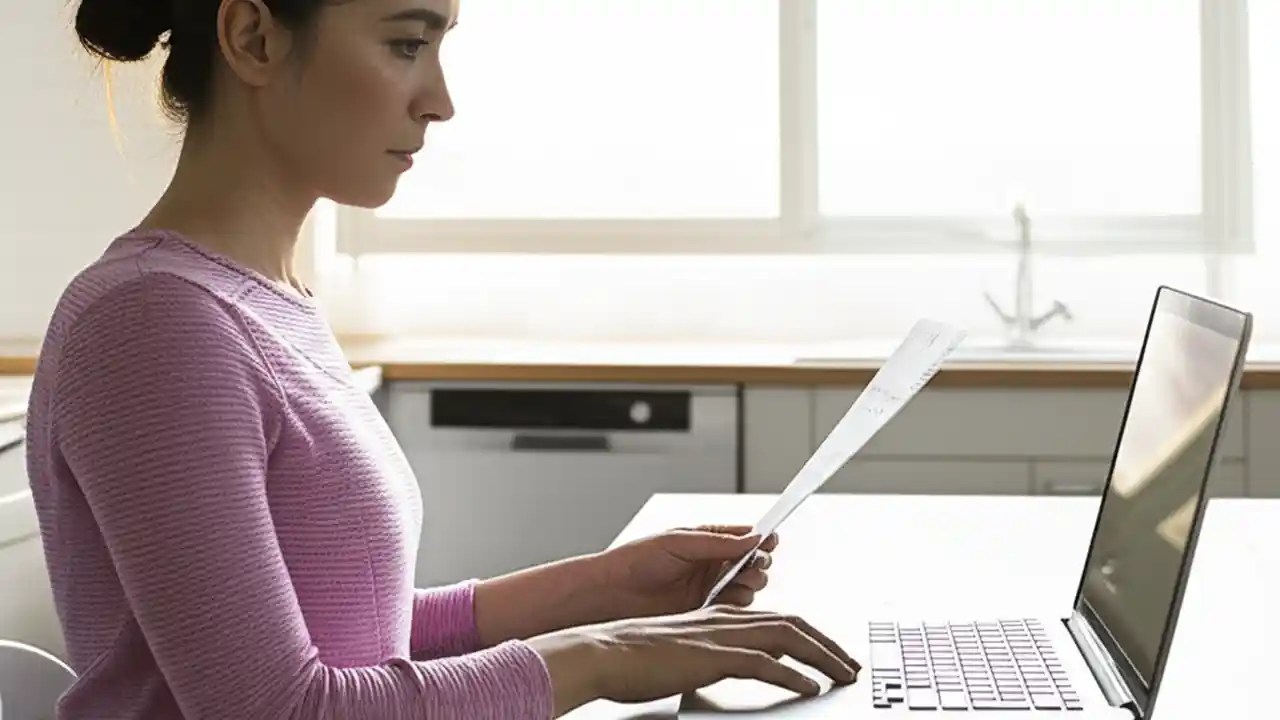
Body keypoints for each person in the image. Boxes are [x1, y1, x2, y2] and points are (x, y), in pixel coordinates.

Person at [24, 0, 861, 717]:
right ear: (253, 37)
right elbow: (280, 708)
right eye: (405, 43)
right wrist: (601, 654)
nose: (440, 100)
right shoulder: (154, 322)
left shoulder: (265, 302)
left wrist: (607, 589)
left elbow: (350, 638)